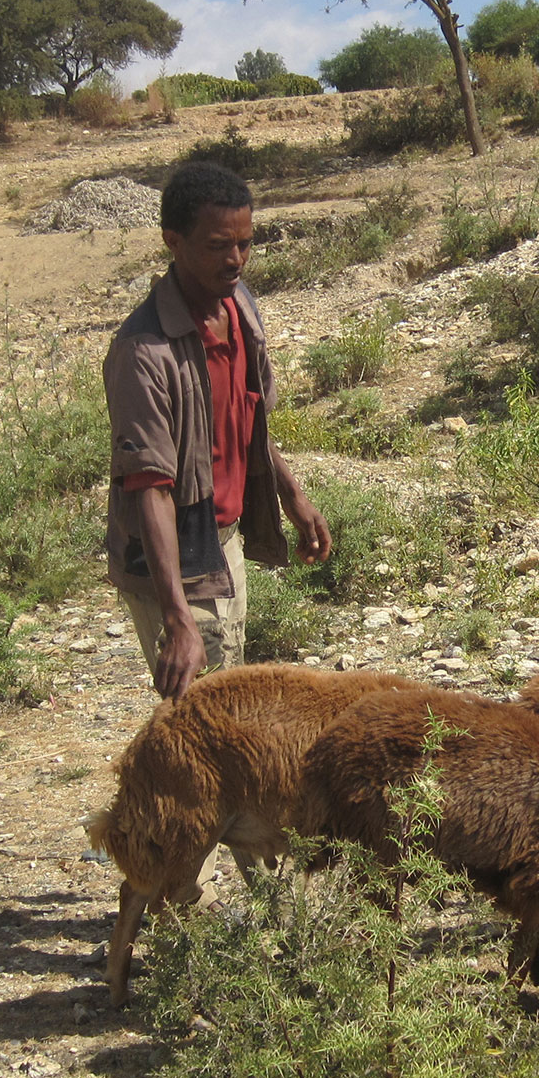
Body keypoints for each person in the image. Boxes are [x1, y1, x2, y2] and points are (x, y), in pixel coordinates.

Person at [103, 162, 331, 699]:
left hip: (222, 542)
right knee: (206, 721)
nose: (235, 260)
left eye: (245, 244)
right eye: (218, 246)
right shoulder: (144, 352)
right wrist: (178, 621)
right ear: (173, 241)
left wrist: (293, 497)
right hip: (176, 559)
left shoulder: (239, 305)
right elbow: (150, 490)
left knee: (225, 702)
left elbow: (252, 418)